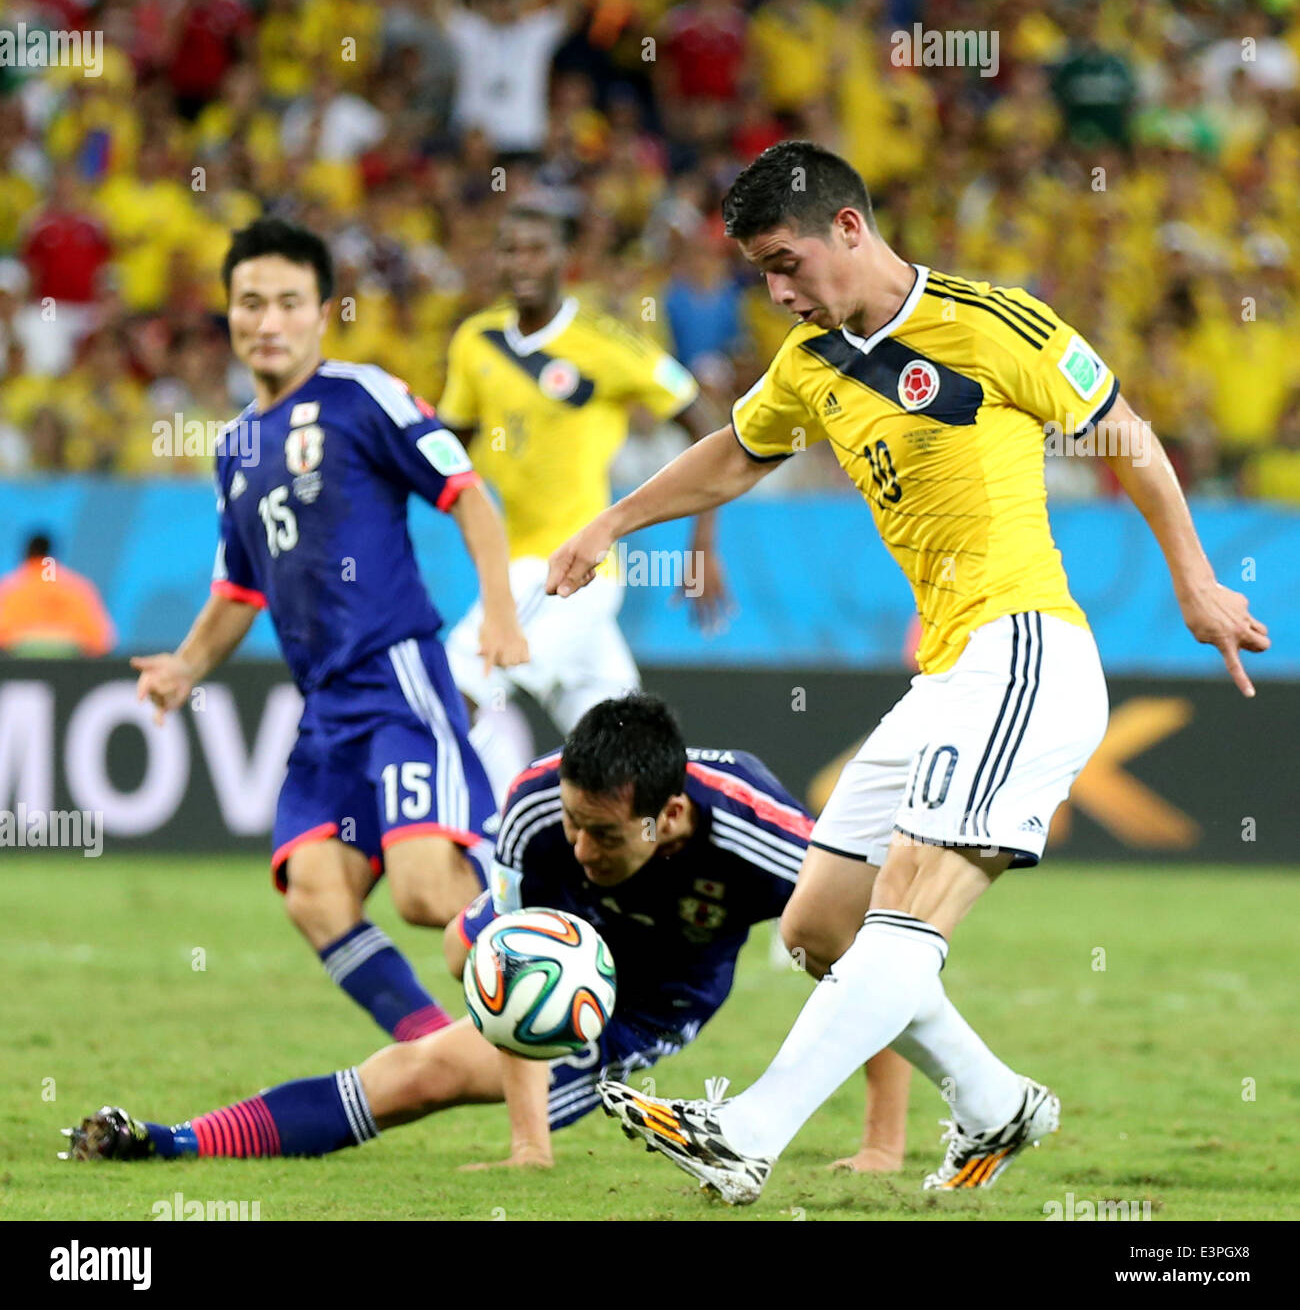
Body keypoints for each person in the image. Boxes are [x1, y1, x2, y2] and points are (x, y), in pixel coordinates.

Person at [548, 141, 1269, 1202]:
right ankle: (994, 1105)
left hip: (1025, 648)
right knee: (819, 926)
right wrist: (614, 519)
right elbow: (738, 453)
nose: (778, 290)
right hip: (944, 673)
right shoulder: (808, 364)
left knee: (911, 911)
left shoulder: (992, 323)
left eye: (787, 262)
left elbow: (1125, 434)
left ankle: (744, 1132)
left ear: (849, 228)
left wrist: (1194, 581)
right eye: (760, 274)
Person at [61, 694, 909, 1168]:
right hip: (561, 949)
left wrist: (880, 1142)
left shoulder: (762, 836)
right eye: (574, 825)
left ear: (671, 817)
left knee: (428, 1073)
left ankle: (170, 1145)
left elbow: (868, 960)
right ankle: (171, 1146)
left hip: (656, 996)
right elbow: (518, 968)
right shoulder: (539, 809)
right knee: (460, 967)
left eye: (604, 836)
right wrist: (527, 1144)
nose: (578, 847)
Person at [131, 217, 528, 1045]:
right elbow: (240, 588)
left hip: (395, 680)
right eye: (250, 304)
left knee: (426, 893)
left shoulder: (359, 397)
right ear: (230, 314)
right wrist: (184, 668)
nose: (267, 321)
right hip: (324, 709)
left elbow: (468, 493)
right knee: (314, 895)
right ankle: (432, 1054)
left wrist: (498, 611)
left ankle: (546, 929)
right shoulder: (237, 445)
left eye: (286, 303)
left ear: (322, 313)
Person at [437, 202, 730, 802]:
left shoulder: (606, 341)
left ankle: (460, 845)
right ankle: (665, 857)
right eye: (511, 249)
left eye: (536, 249)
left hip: (573, 568)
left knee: (453, 695)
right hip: (521, 567)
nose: (522, 262)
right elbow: (448, 450)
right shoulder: (476, 342)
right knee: (625, 762)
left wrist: (702, 542)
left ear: (564, 260)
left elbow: (711, 430)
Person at [0, 533, 116, 656]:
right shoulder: (77, 586)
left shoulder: (10, 587)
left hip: (18, 669)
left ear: (26, 554)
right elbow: (101, 640)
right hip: (72, 668)